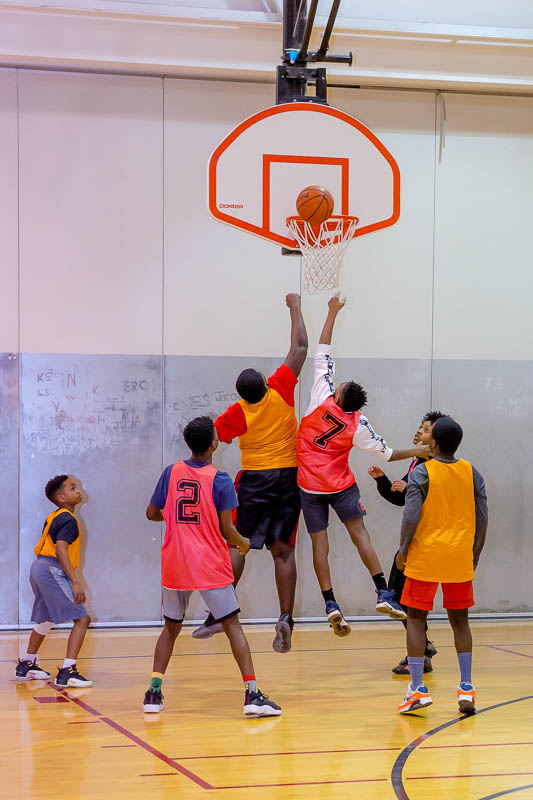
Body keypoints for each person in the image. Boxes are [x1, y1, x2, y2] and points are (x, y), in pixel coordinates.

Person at [296, 294, 428, 636]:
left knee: (319, 544)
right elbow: (387, 453)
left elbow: (322, 348)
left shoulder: (320, 396)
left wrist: (332, 311)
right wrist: (420, 451)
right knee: (360, 535)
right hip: (340, 485)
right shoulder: (358, 424)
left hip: (310, 487)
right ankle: (383, 591)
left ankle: (330, 603)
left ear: (338, 396)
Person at [143, 415, 282, 717]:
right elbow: (226, 530)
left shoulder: (171, 472)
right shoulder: (220, 480)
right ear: (214, 443)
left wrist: (179, 522)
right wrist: (244, 543)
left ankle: (153, 694)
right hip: (208, 562)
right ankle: (253, 695)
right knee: (232, 626)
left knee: (170, 628)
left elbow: (152, 512)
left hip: (175, 561)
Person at [194, 294, 308, 654]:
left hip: (256, 479)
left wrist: (202, 467)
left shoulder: (236, 414)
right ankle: (285, 617)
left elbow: (208, 438)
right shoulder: (281, 389)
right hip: (289, 478)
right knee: (283, 551)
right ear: (264, 381)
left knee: (238, 544)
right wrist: (294, 307)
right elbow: (300, 345)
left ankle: (219, 612)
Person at [396, 416, 488, 715]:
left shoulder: (421, 473)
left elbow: (410, 518)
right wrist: (474, 553)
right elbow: (483, 518)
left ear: (433, 443)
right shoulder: (471, 472)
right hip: (459, 556)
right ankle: (466, 688)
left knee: (415, 619)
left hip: (425, 556)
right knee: (460, 623)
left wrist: (402, 550)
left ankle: (417, 690)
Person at [368, 410, 448, 675]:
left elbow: (431, 501)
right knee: (402, 600)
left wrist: (413, 489)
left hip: (425, 543)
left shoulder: (436, 467)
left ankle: (422, 652)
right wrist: (384, 482)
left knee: (403, 601)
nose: (419, 432)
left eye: (425, 429)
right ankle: (423, 647)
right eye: (420, 427)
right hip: (415, 541)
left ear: (436, 439)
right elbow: (401, 498)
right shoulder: (418, 462)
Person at [16, 475, 92, 688]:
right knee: (82, 619)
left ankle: (27, 663)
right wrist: (74, 581)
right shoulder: (68, 518)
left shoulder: (55, 515)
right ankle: (68, 671)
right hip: (51, 569)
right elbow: (60, 550)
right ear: (61, 498)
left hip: (39, 568)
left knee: (46, 620)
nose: (78, 491)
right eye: (72, 488)